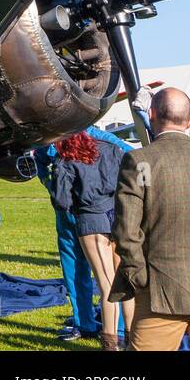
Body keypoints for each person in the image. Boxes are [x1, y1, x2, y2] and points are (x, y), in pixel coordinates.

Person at [109, 87, 190, 351]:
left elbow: (125, 231)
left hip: (160, 291)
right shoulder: (141, 161)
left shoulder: (140, 160)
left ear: (152, 114)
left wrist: (140, 279)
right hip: (159, 286)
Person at [51, 130, 133, 349]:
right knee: (123, 281)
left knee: (108, 286)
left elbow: (61, 200)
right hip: (117, 216)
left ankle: (110, 342)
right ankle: (135, 340)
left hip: (91, 220)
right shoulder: (110, 148)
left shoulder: (65, 160)